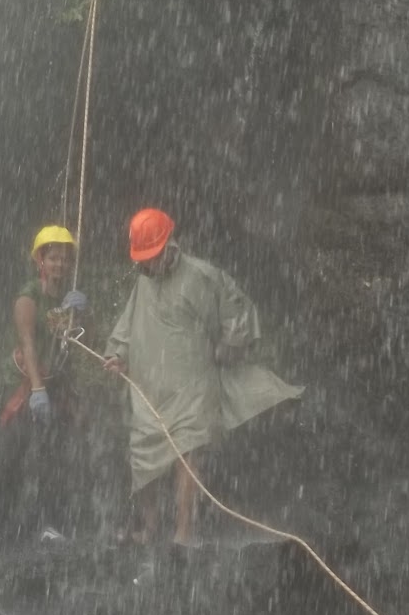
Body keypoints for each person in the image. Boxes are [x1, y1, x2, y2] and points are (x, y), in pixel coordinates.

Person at [103, 208, 303, 545]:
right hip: (150, 387)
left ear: (169, 245)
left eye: (153, 256)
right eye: (144, 259)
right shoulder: (143, 282)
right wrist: (117, 354)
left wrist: (229, 348)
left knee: (189, 452)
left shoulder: (201, 276)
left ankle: (183, 534)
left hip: (194, 384)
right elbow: (127, 325)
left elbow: (237, 312)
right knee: (143, 456)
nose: (149, 264)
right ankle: (149, 529)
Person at [0, 225, 90, 551]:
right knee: (13, 451)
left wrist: (83, 314)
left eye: (65, 259)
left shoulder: (68, 300)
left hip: (56, 381)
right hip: (24, 383)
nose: (60, 265)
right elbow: (27, 342)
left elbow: (83, 341)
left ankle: (50, 523)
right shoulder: (29, 297)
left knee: (54, 454)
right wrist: (38, 391)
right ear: (40, 260)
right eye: (53, 258)